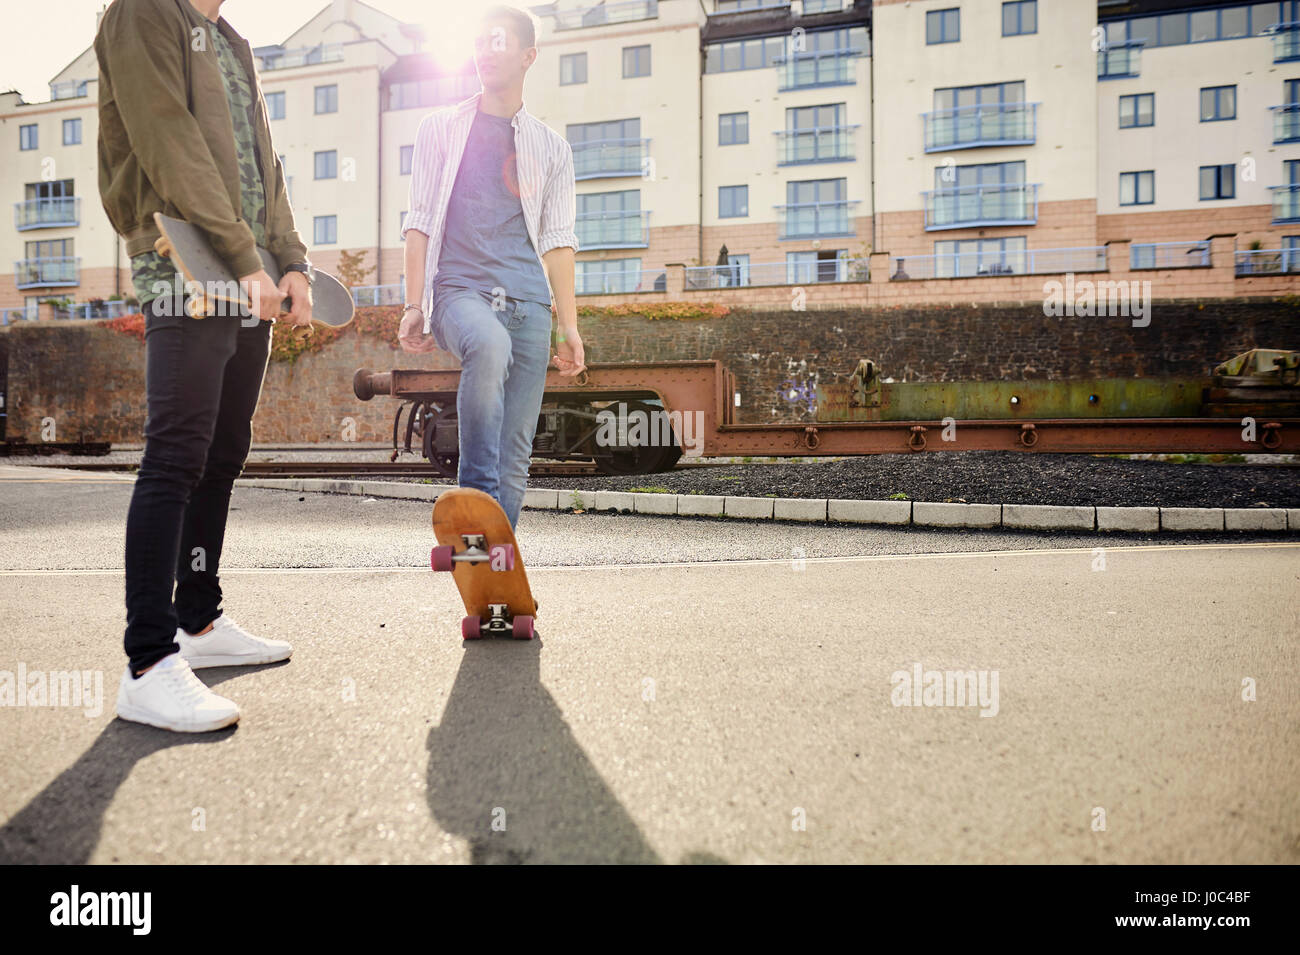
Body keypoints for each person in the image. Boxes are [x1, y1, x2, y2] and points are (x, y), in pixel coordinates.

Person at [97, 0, 314, 732]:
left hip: (248, 272)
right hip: (186, 259)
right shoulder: (141, 13)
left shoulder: (231, 40)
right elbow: (167, 138)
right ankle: (149, 662)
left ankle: (199, 618)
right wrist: (245, 256)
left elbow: (263, 159)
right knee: (176, 455)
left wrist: (292, 261)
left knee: (223, 452)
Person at [398, 4, 586, 529]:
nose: (486, 50)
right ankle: (473, 504)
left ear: (528, 55)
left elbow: (559, 242)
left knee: (516, 452)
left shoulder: (552, 148)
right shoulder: (440, 128)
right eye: (480, 41)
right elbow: (420, 221)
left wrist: (568, 326)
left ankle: (495, 568)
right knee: (487, 344)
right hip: (461, 291)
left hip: (530, 303)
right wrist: (414, 304)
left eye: (498, 41)